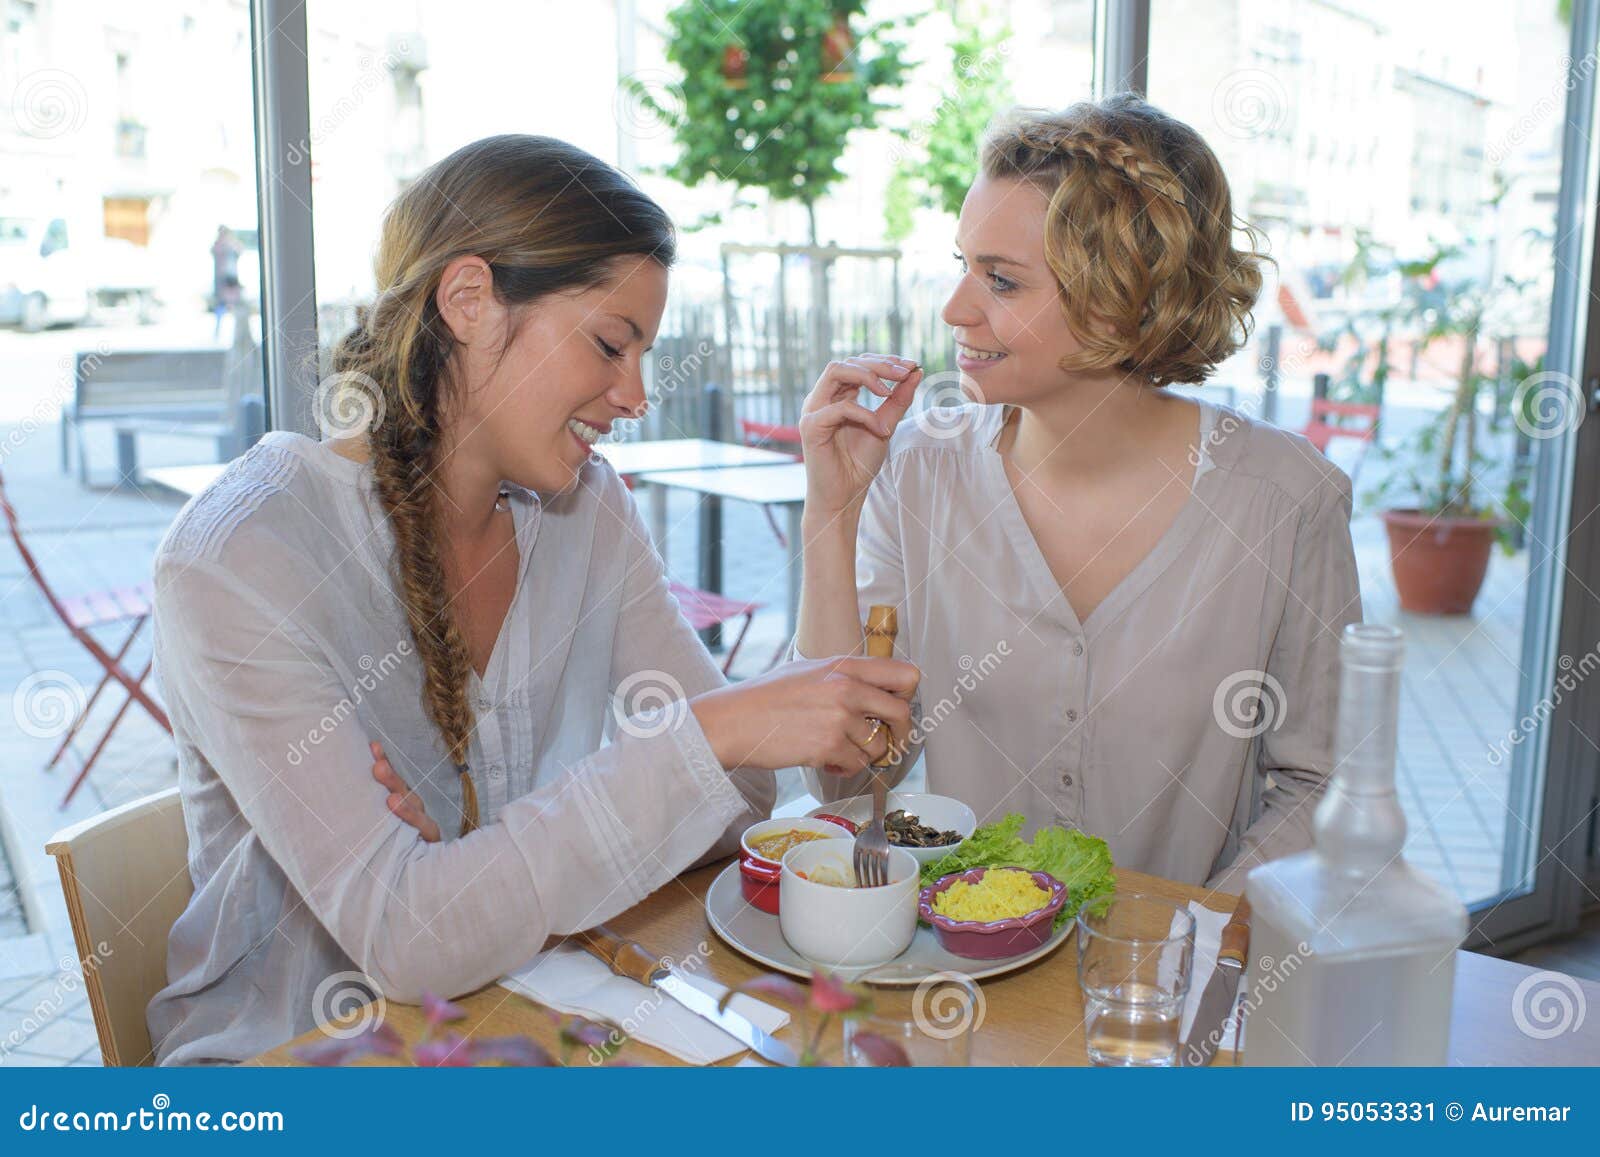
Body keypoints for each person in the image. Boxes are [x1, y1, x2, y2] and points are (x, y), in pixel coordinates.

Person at [148, 135, 917, 1065]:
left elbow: (740, 801)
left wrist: (468, 873)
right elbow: (411, 942)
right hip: (296, 1058)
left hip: (515, 1024)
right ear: (469, 301)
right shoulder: (241, 555)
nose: (635, 394)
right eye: (609, 343)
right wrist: (696, 740)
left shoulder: (587, 512)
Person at [792, 95, 1362, 896]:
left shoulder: (1284, 500)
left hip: (1178, 997)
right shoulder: (919, 470)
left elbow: (1320, 785)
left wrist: (1184, 943)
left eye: (1000, 280)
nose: (955, 308)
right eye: (963, 265)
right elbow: (844, 781)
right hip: (966, 983)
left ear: (1122, 296)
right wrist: (831, 516)